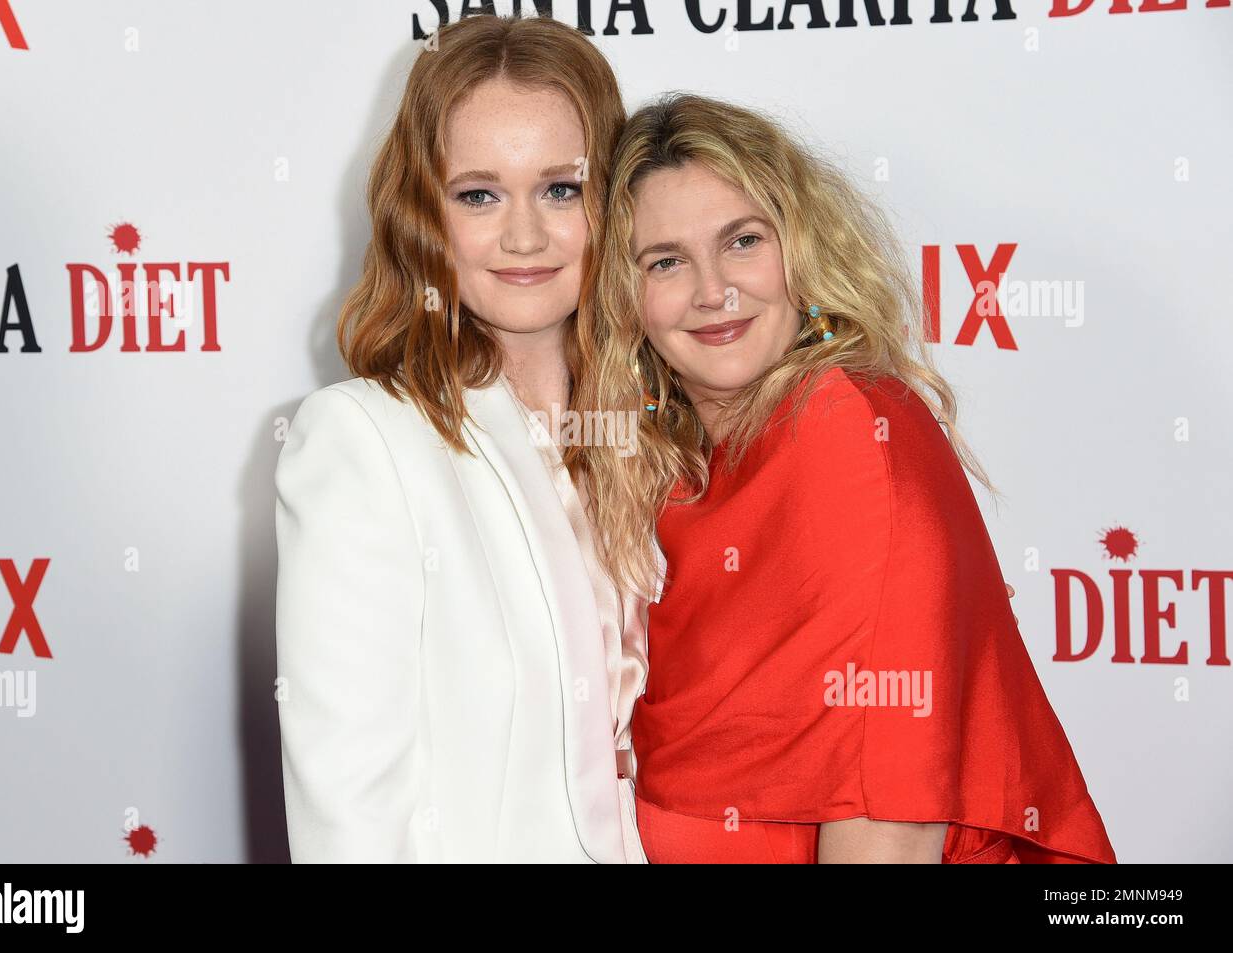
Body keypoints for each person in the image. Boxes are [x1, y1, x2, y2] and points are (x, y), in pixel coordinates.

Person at [578, 93, 1117, 863]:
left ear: (799, 248)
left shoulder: (846, 429)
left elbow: (890, 807)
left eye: (742, 241)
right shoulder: (678, 472)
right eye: (665, 260)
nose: (712, 289)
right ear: (624, 297)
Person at [273, 14, 655, 863]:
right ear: (424, 216)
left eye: (561, 188)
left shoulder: (658, 438)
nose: (524, 235)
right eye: (478, 193)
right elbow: (349, 816)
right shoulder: (364, 442)